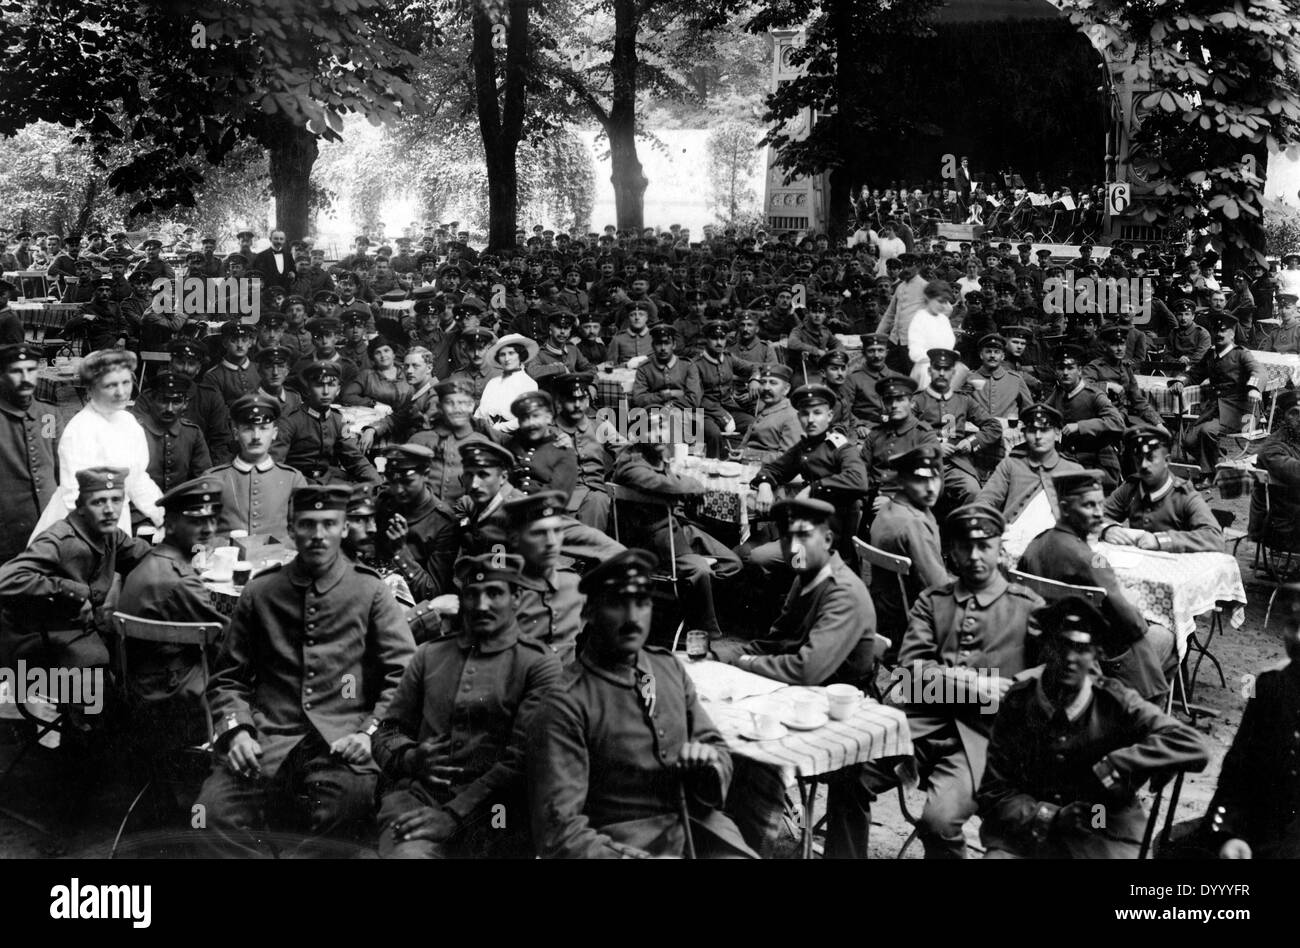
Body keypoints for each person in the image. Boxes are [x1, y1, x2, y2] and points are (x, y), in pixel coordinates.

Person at [191, 484, 415, 858]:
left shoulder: (371, 591)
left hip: (342, 740)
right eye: (307, 524)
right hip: (268, 736)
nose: (318, 535)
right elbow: (228, 677)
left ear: (344, 529)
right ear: (291, 530)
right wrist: (238, 732)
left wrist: (368, 734)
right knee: (211, 812)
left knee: (347, 811)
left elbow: (403, 676)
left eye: (329, 524)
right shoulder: (261, 592)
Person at [831, 504, 1044, 859]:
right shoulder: (932, 602)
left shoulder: (1027, 607)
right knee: (845, 775)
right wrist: (975, 685)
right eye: (965, 547)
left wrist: (1014, 689)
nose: (975, 556)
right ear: (953, 553)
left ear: (1001, 550)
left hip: (979, 741)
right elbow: (910, 674)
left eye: (985, 546)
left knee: (938, 821)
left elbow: (1049, 677)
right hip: (914, 726)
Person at [526, 549, 756, 859]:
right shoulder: (565, 703)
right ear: (589, 612)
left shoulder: (669, 668)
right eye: (618, 603)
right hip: (615, 846)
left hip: (697, 830)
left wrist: (708, 763)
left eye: (642, 603)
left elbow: (715, 745)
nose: (633, 617)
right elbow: (559, 830)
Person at [977, 596, 1210, 858]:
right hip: (1028, 830)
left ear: (1096, 654)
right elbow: (994, 792)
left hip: (1102, 828)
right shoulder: (1019, 703)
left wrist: (1119, 765)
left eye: (1081, 648)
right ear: (1045, 646)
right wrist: (1049, 816)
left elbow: (1192, 744)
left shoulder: (1115, 701)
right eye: (1061, 644)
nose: (1069, 658)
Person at [373, 552, 561, 858]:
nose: (482, 604)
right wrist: (410, 757)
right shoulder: (429, 656)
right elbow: (387, 731)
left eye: (495, 593)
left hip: (498, 811)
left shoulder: (538, 665)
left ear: (517, 598)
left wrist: (453, 816)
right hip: (421, 801)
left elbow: (521, 760)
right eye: (472, 594)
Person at [1018, 470, 1177, 706]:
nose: (1099, 513)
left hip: (1044, 650)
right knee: (1165, 635)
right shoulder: (1093, 560)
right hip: (1098, 661)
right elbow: (1132, 624)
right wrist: (1134, 607)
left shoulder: (1035, 544)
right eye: (1089, 505)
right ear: (1065, 508)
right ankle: (1141, 716)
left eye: (1100, 504)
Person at [0, 467, 152, 683]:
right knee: (99, 679)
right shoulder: (59, 540)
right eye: (98, 502)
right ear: (80, 507)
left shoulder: (110, 534)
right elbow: (5, 578)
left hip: (83, 630)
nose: (110, 510)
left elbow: (145, 556)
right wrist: (70, 591)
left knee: (144, 659)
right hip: (44, 637)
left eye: (116, 500)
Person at [714, 497, 876, 687]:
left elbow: (807, 670)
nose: (793, 547)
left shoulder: (844, 592)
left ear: (827, 540)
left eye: (803, 536)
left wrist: (744, 662)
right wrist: (718, 656)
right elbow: (775, 643)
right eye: (786, 537)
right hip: (805, 690)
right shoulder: (805, 577)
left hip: (841, 701)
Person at [116, 476, 227, 744]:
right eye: (197, 521)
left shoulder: (150, 562)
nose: (208, 529)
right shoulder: (179, 579)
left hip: (141, 693)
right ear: (172, 523)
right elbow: (228, 638)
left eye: (212, 520)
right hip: (179, 701)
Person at [611, 415, 742, 637]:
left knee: (733, 562)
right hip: (651, 539)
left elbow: (674, 481)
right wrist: (693, 486)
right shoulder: (630, 462)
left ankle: (693, 609)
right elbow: (662, 484)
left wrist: (689, 487)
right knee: (700, 570)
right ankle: (705, 631)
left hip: (677, 528)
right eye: (650, 430)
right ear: (636, 435)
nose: (659, 435)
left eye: (662, 428)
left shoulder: (659, 456)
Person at [1199, 585, 1300, 858]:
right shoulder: (1271, 688)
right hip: (1262, 832)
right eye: (1293, 625)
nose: (1298, 637)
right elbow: (1238, 767)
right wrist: (1228, 834)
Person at [31, 349, 164, 540]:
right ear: (91, 389)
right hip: (80, 530)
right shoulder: (81, 428)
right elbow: (75, 496)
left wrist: (161, 515)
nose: (121, 392)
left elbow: (137, 479)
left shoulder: (129, 422)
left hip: (116, 522)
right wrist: (104, 542)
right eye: (110, 385)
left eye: (125, 382)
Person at [747, 383, 868, 572]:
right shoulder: (805, 447)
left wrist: (813, 489)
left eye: (817, 413)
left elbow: (859, 481)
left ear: (829, 416)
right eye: (805, 413)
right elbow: (774, 469)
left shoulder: (841, 447)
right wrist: (764, 485)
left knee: (756, 557)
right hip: (803, 524)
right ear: (798, 417)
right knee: (742, 551)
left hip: (826, 538)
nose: (811, 420)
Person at [868, 447, 951, 662]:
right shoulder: (913, 524)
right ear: (903, 481)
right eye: (921, 481)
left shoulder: (888, 510)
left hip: (881, 618)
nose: (931, 488)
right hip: (910, 629)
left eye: (935, 479)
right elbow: (938, 589)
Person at [1167, 311, 1262, 483]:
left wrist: (1254, 388)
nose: (1218, 334)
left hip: (1239, 411)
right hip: (1214, 409)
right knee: (1188, 441)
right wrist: (1181, 381)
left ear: (1232, 334)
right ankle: (1218, 460)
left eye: (1223, 331)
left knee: (1207, 431)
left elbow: (1258, 371)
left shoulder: (1241, 353)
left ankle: (1208, 475)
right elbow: (1195, 373)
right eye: (1216, 331)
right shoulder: (1211, 354)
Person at [1101, 426, 1224, 553]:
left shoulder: (1183, 494)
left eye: (1150, 458)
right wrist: (1108, 529)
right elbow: (1095, 515)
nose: (1143, 465)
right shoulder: (1131, 488)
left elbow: (1215, 537)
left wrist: (1161, 541)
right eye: (1139, 458)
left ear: (1167, 460)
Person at [207, 392, 306, 539]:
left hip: (279, 560)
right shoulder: (213, 479)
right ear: (236, 433)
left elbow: (302, 532)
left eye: (264, 428)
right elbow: (200, 537)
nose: (256, 437)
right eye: (248, 428)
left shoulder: (292, 479)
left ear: (274, 433)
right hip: (228, 560)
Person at [504, 491, 585, 667]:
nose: (551, 541)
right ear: (515, 538)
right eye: (539, 533)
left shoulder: (573, 584)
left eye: (557, 531)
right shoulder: (500, 592)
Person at [912, 347, 1001, 507]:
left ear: (953, 372)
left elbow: (993, 426)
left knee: (973, 491)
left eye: (946, 369)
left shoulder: (963, 400)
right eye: (937, 368)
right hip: (922, 462)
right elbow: (902, 432)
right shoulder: (917, 401)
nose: (941, 373)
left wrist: (970, 443)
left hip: (956, 464)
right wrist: (934, 446)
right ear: (929, 370)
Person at [374, 443, 459, 602]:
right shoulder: (385, 502)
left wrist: (400, 551)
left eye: (407, 482)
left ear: (425, 474)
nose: (398, 490)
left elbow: (433, 593)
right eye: (393, 481)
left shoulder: (443, 522)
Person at [271, 362, 380, 485]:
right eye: (319, 385)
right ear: (308, 388)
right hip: (298, 484)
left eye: (331, 385)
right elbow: (275, 464)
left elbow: (354, 459)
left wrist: (377, 484)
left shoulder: (338, 420)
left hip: (328, 481)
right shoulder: (290, 421)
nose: (326, 391)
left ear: (338, 389)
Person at [0, 343, 59, 563]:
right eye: (16, 371)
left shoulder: (48, 415)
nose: (26, 377)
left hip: (48, 525)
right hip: (7, 531)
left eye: (31, 370)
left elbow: (60, 468)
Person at [1042, 344, 1125, 488]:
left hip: (1097, 463)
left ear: (1080, 370)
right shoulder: (1060, 392)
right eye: (1061, 368)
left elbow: (1117, 422)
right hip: (1068, 458)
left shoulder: (1094, 395)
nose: (1065, 373)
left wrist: (1080, 426)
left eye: (1070, 368)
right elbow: (1045, 412)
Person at [549, 372, 620, 530]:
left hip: (596, 493)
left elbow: (624, 449)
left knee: (598, 502)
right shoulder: (549, 429)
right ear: (560, 402)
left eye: (581, 399)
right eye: (571, 400)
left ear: (588, 400)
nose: (577, 405)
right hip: (562, 496)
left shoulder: (599, 424)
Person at [862, 375, 939, 514]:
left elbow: (933, 486)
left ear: (912, 402)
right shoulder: (875, 434)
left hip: (909, 510)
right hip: (871, 504)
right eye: (889, 400)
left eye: (900, 399)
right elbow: (861, 472)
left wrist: (894, 500)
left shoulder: (924, 436)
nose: (894, 405)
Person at [131, 371, 212, 498]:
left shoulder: (192, 433)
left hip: (179, 510)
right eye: (163, 401)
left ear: (185, 404)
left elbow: (203, 479)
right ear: (151, 400)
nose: (169, 408)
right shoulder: (135, 432)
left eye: (176, 402)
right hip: (140, 512)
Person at [693, 319, 757, 458]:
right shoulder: (696, 364)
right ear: (706, 339)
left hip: (729, 408)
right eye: (714, 338)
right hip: (704, 412)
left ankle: (737, 458)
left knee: (753, 425)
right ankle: (711, 466)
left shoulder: (728, 358)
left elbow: (753, 367)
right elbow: (695, 397)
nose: (719, 342)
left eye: (722, 338)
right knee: (713, 434)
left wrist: (754, 379)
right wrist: (721, 414)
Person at [1084, 326, 1164, 431]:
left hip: (1122, 417)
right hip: (1101, 418)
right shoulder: (1095, 366)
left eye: (1122, 344)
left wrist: (1158, 423)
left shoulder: (1126, 368)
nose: (1119, 349)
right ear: (1104, 347)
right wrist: (1108, 386)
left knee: (1152, 434)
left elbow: (1139, 400)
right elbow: (1083, 386)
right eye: (1114, 344)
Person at [1251, 389, 1300, 553]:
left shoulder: (1295, 440)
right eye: (1295, 413)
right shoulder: (1272, 448)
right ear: (1282, 417)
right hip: (1279, 528)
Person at [504, 391, 578, 498]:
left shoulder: (563, 451)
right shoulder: (514, 444)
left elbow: (556, 497)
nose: (530, 423)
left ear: (548, 417)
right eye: (524, 418)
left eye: (536, 416)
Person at [843, 333, 909, 437]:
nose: (877, 355)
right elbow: (844, 409)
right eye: (871, 351)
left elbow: (907, 408)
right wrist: (858, 425)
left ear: (886, 352)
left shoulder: (897, 378)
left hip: (895, 429)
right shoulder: (853, 379)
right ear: (863, 353)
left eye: (880, 350)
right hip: (866, 430)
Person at [476, 333, 539, 433]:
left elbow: (525, 418)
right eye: (502, 354)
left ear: (520, 356)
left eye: (511, 353)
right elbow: (480, 412)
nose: (507, 359)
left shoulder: (529, 384)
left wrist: (496, 429)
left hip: (513, 437)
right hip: (486, 433)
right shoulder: (493, 382)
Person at [739, 363, 802, 456]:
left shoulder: (792, 416)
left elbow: (789, 458)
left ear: (786, 389)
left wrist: (748, 454)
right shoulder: (765, 411)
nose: (766, 388)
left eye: (773, 383)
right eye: (763, 382)